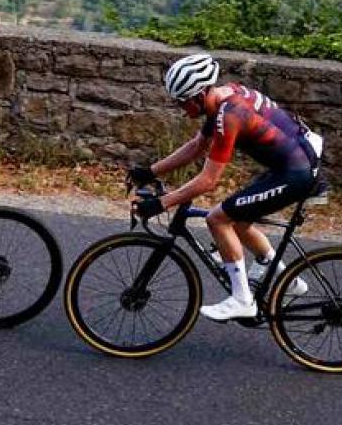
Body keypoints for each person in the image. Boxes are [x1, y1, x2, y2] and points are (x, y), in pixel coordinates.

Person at [128, 50, 323, 321]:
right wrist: (149, 171)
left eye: (183, 103)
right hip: (291, 166)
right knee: (239, 220)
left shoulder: (229, 114)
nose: (182, 111)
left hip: (295, 174)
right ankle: (287, 281)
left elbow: (208, 181)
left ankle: (243, 300)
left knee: (218, 219)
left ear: (199, 95)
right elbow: (197, 146)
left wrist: (160, 203)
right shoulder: (223, 97)